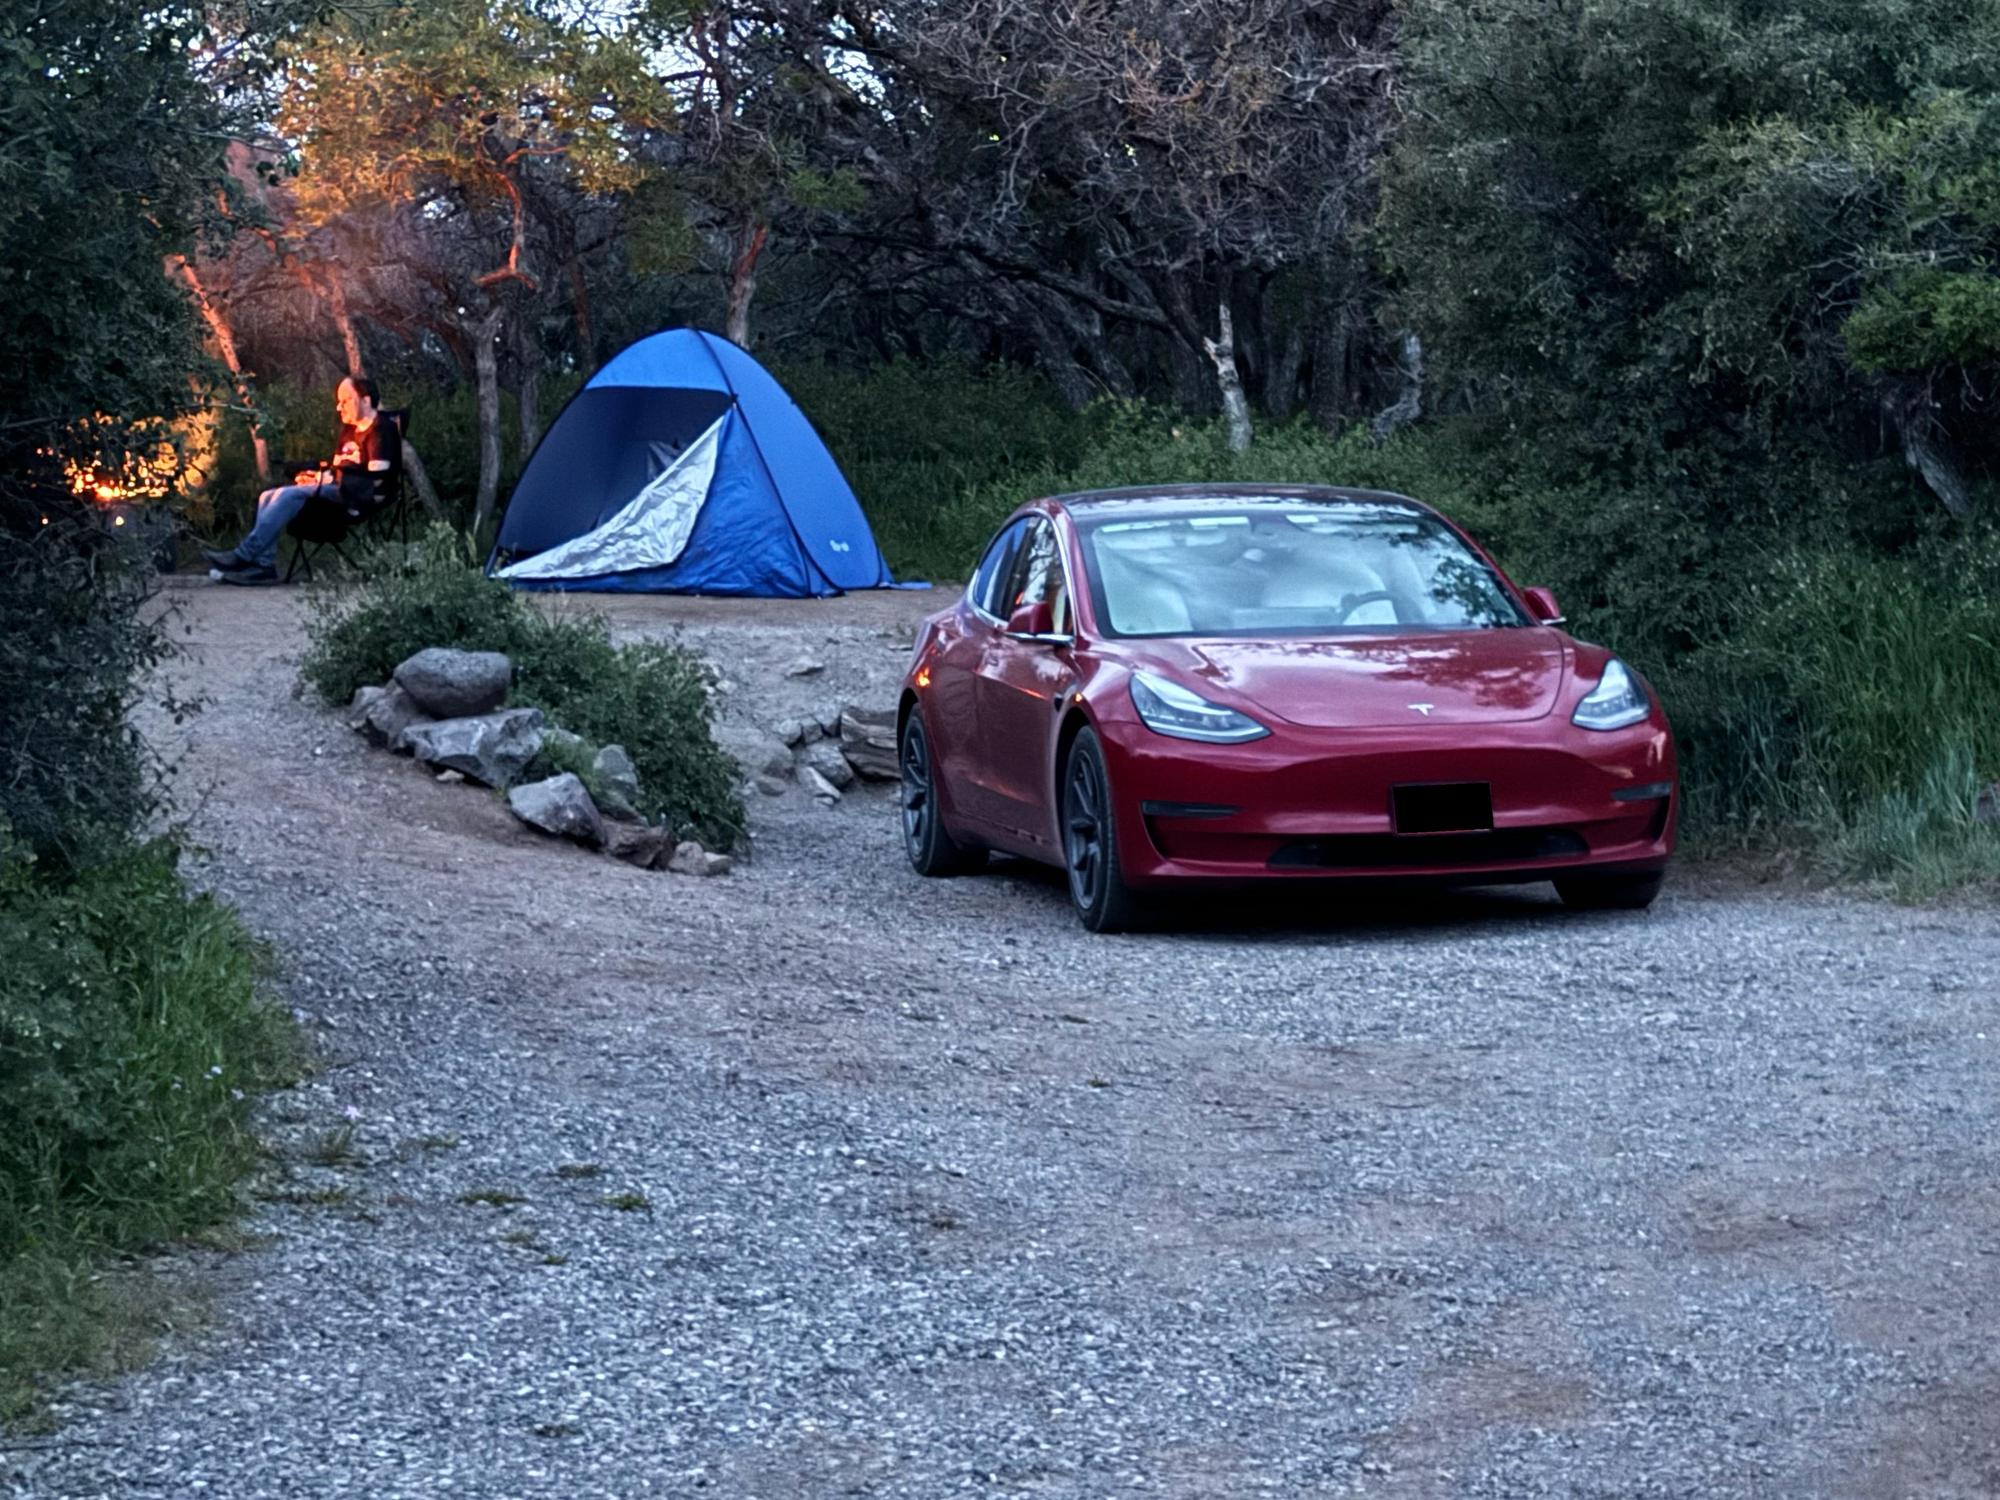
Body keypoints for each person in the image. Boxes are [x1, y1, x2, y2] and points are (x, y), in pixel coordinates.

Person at [205, 376, 392, 585]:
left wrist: (327, 479)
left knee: (289, 494)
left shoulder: (381, 431)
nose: (339, 407)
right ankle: (263, 566)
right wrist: (318, 477)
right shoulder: (349, 431)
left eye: (345, 400)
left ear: (365, 401)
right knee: (268, 495)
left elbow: (375, 477)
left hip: (357, 496)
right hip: (338, 487)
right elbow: (339, 466)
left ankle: (244, 555)